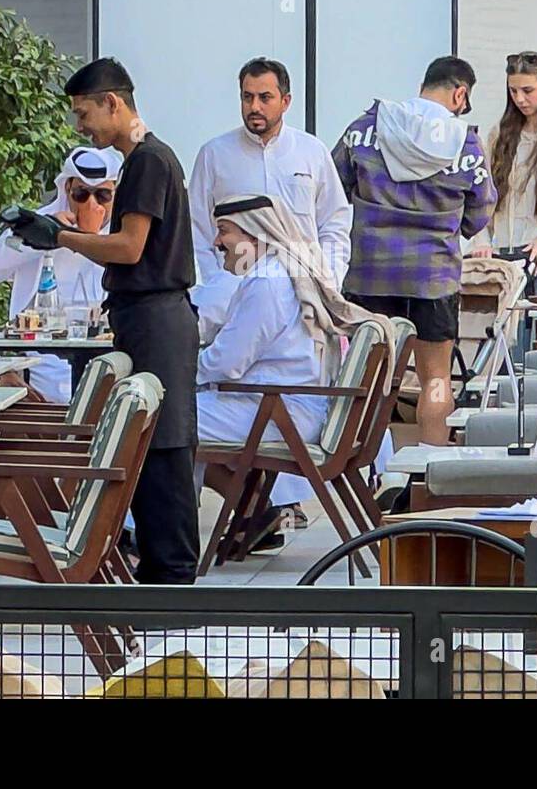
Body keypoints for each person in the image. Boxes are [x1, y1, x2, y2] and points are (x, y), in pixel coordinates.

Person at [7, 57, 200, 585]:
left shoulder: (147, 161)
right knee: (145, 445)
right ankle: (163, 577)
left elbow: (130, 248)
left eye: (84, 112)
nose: (81, 126)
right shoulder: (146, 159)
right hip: (147, 316)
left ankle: (173, 584)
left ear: (113, 102)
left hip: (157, 317)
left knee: (160, 446)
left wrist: (59, 237)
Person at [196, 195, 390, 548]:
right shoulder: (279, 273)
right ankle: (252, 512)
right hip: (288, 407)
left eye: (224, 231)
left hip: (280, 413)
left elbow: (227, 363)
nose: (216, 243)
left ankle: (149, 534)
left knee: (165, 423)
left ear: (254, 236)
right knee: (180, 418)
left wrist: (181, 371)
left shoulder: (267, 282)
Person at [333, 56, 497, 445]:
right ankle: (430, 472)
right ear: (460, 93)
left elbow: (334, 186)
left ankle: (364, 471)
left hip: (370, 274)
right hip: (433, 279)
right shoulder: (465, 144)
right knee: (436, 378)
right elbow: (482, 208)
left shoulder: (366, 128)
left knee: (369, 378)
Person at [189, 58, 351, 332]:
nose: (254, 107)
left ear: (285, 101)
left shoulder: (312, 152)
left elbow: (334, 223)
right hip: (233, 305)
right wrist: (220, 287)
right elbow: (197, 230)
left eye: (265, 98)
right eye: (247, 97)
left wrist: (328, 281)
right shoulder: (214, 155)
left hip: (304, 301)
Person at [0, 147, 121, 402]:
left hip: (105, 357)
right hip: (42, 361)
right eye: (82, 194)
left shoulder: (124, 235)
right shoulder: (42, 221)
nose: (92, 204)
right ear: (67, 190)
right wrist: (46, 237)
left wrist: (89, 240)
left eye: (103, 196)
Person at [469, 50, 537, 303]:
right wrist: (482, 240)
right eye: (513, 91)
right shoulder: (500, 133)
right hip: (501, 260)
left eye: (528, 91)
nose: (519, 99)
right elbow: (484, 195)